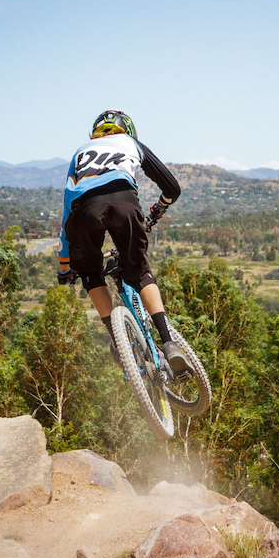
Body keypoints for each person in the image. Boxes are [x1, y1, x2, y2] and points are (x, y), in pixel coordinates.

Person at [56, 109, 189, 375]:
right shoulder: (131, 144)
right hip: (123, 202)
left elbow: (68, 204)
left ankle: (118, 342)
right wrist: (159, 208)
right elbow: (172, 188)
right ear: (128, 130)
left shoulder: (80, 153)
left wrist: (64, 265)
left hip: (84, 210)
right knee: (139, 273)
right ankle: (169, 343)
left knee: (91, 274)